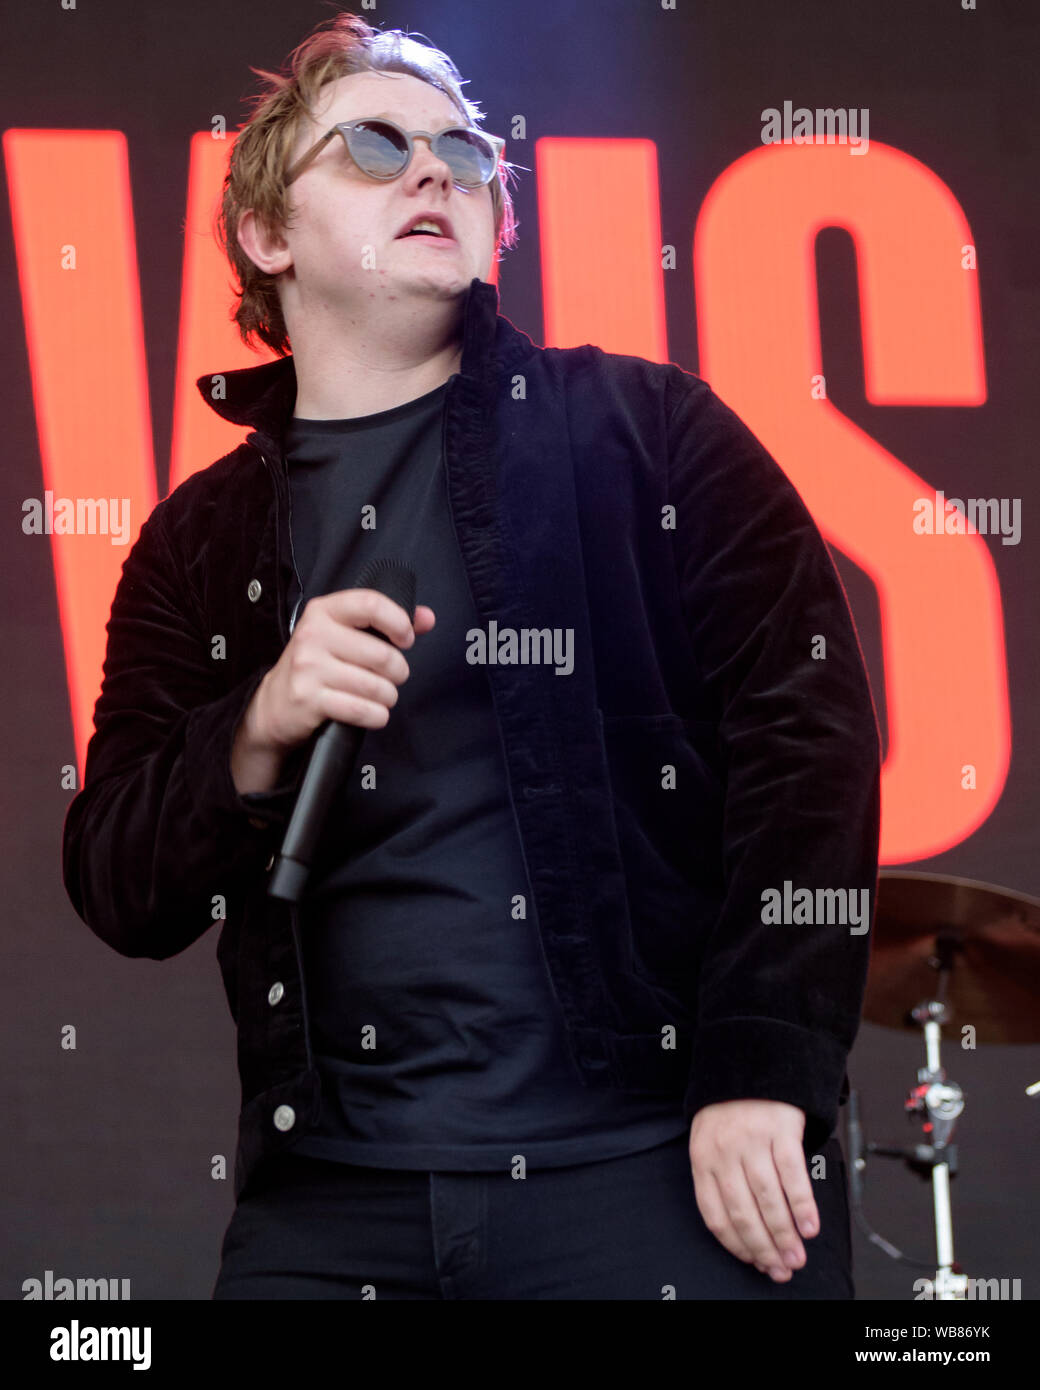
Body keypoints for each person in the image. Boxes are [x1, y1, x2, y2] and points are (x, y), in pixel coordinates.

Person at [62, 10, 881, 1300]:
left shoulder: (642, 432)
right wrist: (256, 728)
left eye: (465, 150)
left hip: (648, 1169)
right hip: (330, 1208)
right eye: (375, 149)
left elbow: (808, 738)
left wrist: (761, 1067)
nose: (438, 168)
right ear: (267, 235)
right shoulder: (198, 541)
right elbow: (117, 880)